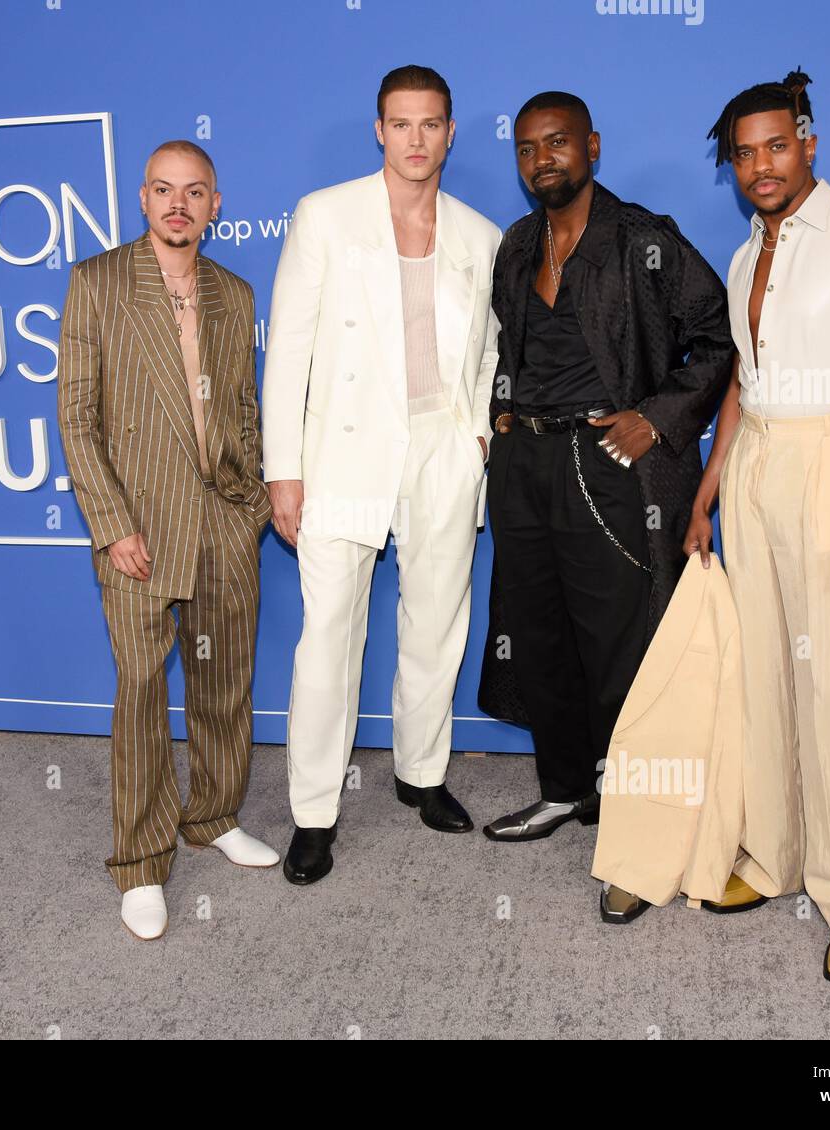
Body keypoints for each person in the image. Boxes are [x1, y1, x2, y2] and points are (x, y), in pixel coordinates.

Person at [634, 71, 830, 984]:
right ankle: (773, 856)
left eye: (777, 145)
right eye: (744, 152)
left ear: (809, 143)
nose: (761, 165)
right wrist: (711, 484)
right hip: (755, 463)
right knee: (762, 673)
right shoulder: (740, 255)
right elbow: (743, 382)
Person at [263, 65, 501, 885]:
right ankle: (314, 815)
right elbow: (288, 347)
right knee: (330, 637)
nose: (416, 140)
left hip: (443, 446)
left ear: (451, 131)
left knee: (438, 621)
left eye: (431, 124)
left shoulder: (479, 234)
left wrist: (476, 438)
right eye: (401, 124)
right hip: (343, 453)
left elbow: (491, 352)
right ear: (378, 130)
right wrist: (282, 471)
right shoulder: (326, 216)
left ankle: (421, 775)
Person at [478, 92, 733, 846]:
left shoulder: (643, 241)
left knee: (621, 646)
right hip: (525, 463)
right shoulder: (520, 243)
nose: (541, 160)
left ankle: (637, 827)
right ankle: (564, 790)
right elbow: (508, 350)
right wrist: (501, 414)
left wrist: (656, 419)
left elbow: (718, 341)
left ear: (592, 146)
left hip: (607, 464)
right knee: (539, 634)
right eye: (526, 148)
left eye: (556, 143)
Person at [58, 141, 278, 941]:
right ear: (142, 199)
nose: (177, 204)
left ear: (216, 204)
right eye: (163, 190)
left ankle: (213, 816)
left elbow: (245, 409)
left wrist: (250, 502)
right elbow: (77, 420)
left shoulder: (234, 291)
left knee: (224, 681)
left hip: (223, 520)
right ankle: (142, 861)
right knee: (144, 692)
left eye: (194, 191)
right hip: (140, 529)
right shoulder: (99, 281)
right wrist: (113, 525)